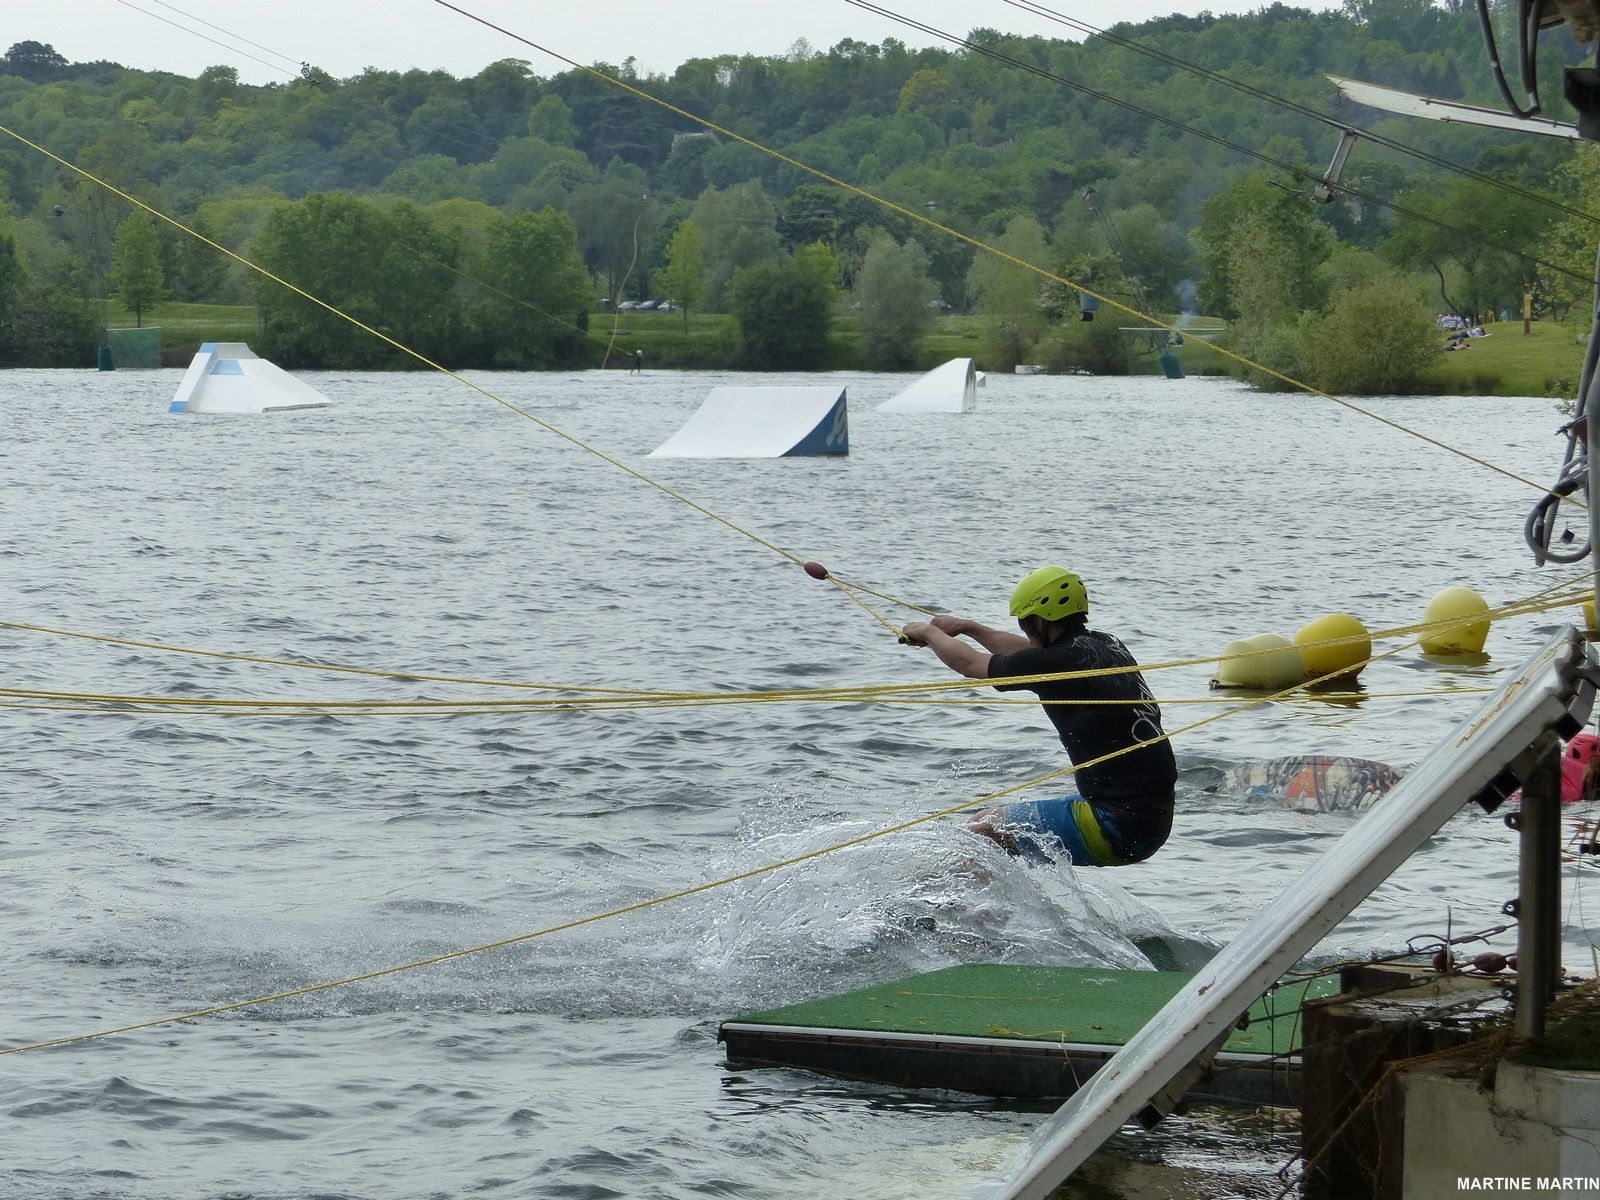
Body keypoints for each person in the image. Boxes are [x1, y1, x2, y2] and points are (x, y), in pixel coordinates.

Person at [901, 565, 1177, 866]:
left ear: (1040, 623)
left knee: (985, 829)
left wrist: (927, 632)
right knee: (993, 827)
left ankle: (973, 912)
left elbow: (970, 664)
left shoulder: (1057, 662)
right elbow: (1025, 655)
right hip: (1151, 819)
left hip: (1114, 827)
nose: (1024, 630)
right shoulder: (1106, 644)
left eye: (1024, 622)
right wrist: (969, 627)